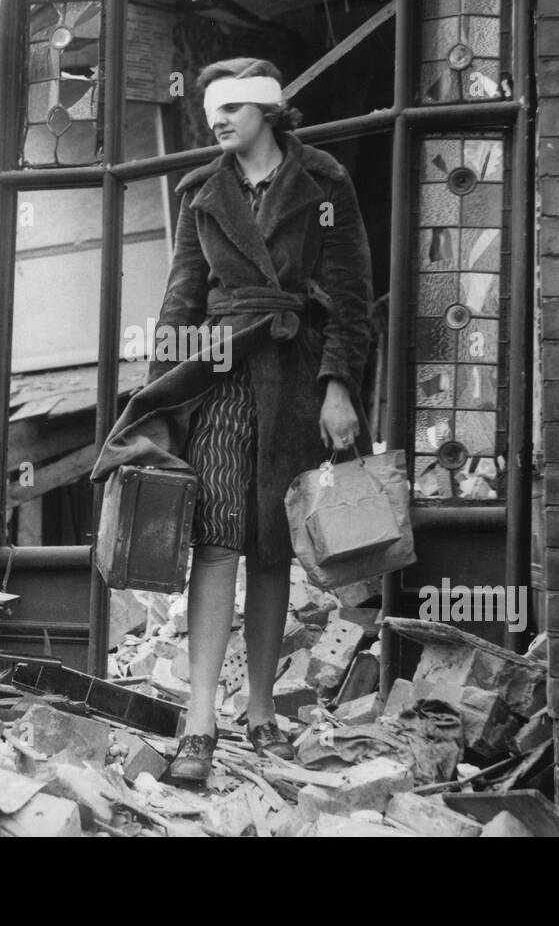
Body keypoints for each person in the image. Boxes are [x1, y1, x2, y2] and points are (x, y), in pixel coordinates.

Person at [92, 57, 374, 782]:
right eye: (210, 109)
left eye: (232, 107)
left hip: (295, 377)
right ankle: (200, 722)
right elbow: (182, 302)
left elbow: (349, 296)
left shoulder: (326, 184)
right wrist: (158, 401)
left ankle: (261, 712)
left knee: (273, 544)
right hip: (218, 378)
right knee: (216, 535)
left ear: (269, 109)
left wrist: (338, 385)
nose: (215, 119)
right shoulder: (199, 193)